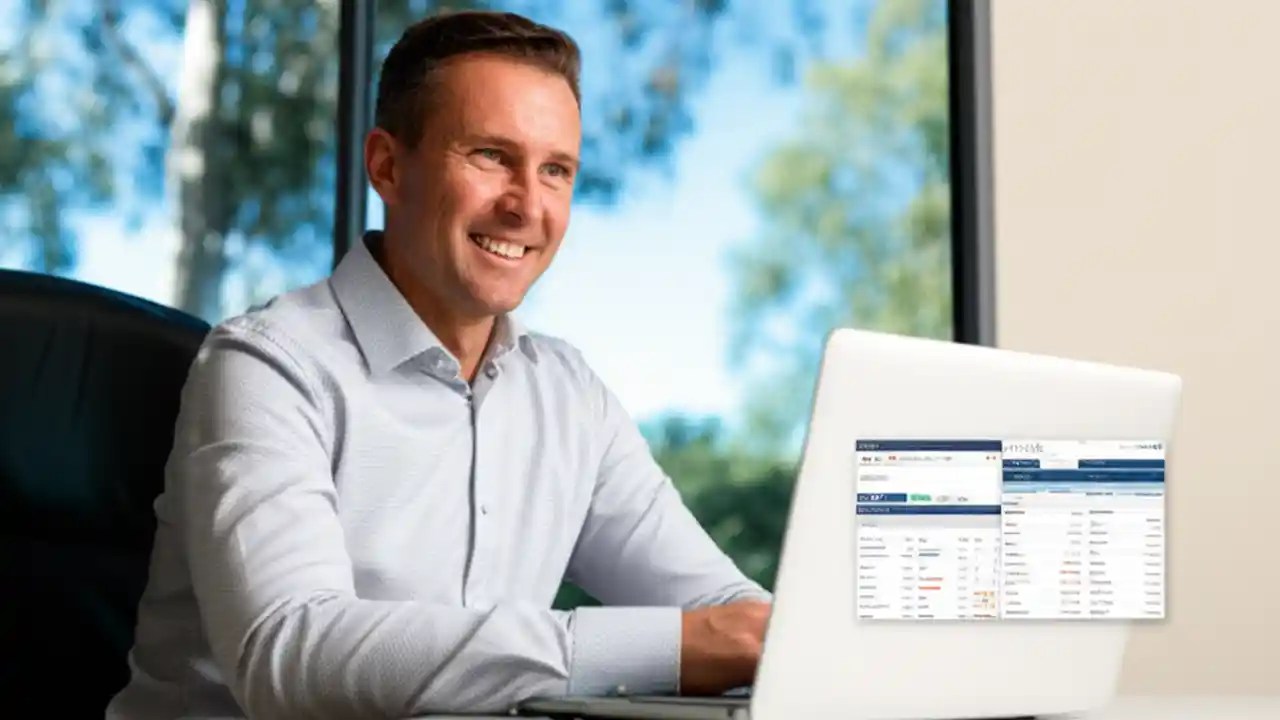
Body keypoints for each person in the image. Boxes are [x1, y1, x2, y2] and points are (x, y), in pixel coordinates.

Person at [106, 9, 771, 720]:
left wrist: (802, 641)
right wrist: (667, 648)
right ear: (388, 167)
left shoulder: (569, 397)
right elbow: (288, 652)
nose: (527, 206)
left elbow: (722, 612)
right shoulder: (268, 365)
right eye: (490, 156)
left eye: (555, 170)